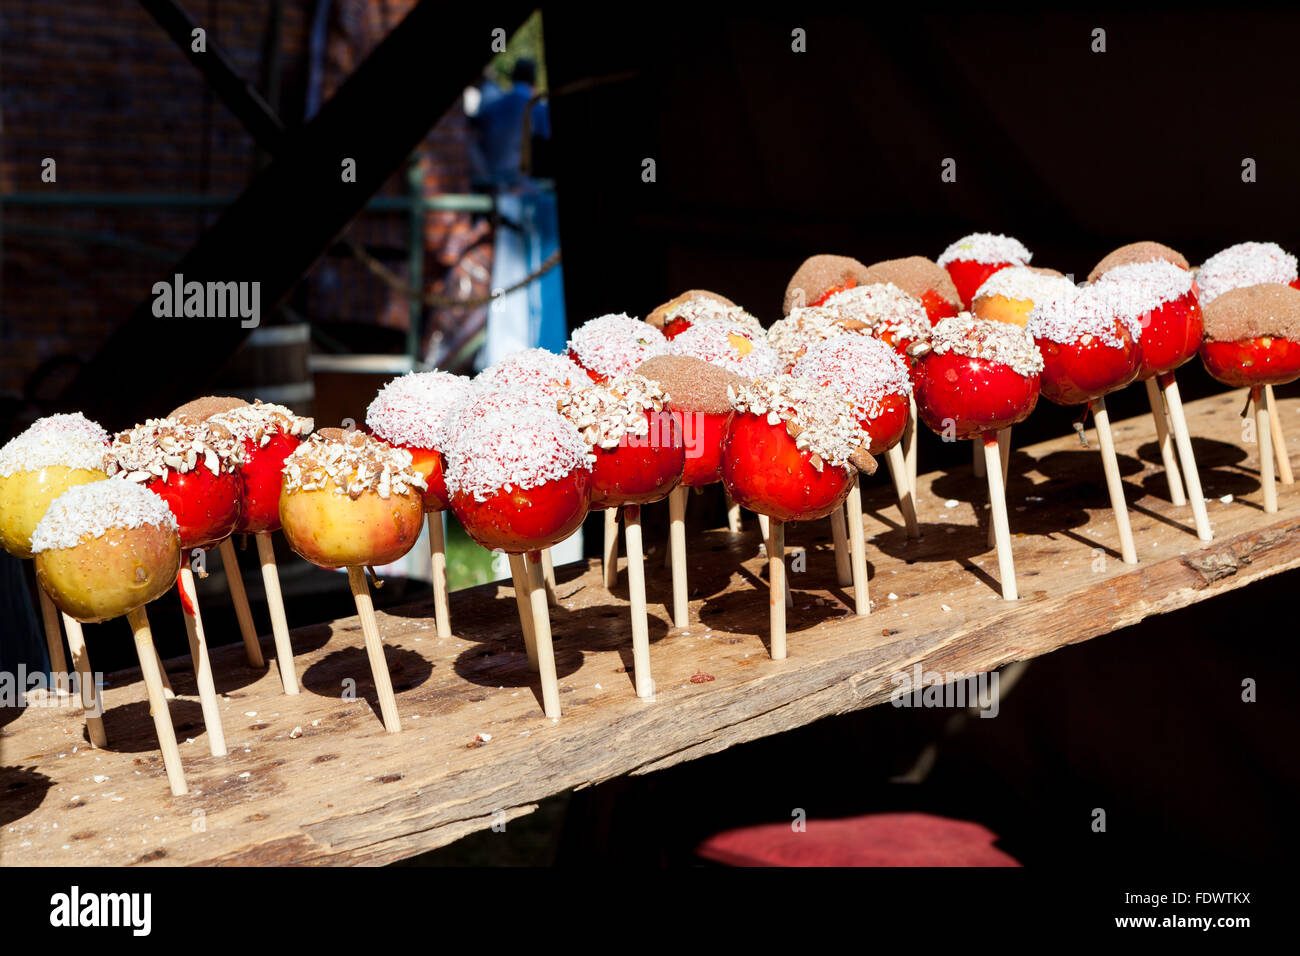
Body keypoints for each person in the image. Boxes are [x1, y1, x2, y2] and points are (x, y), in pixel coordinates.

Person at [468, 59, 550, 192]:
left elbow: (474, 138)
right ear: (533, 81)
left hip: (493, 181)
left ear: (512, 78)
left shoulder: (493, 107)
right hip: (519, 184)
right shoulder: (535, 108)